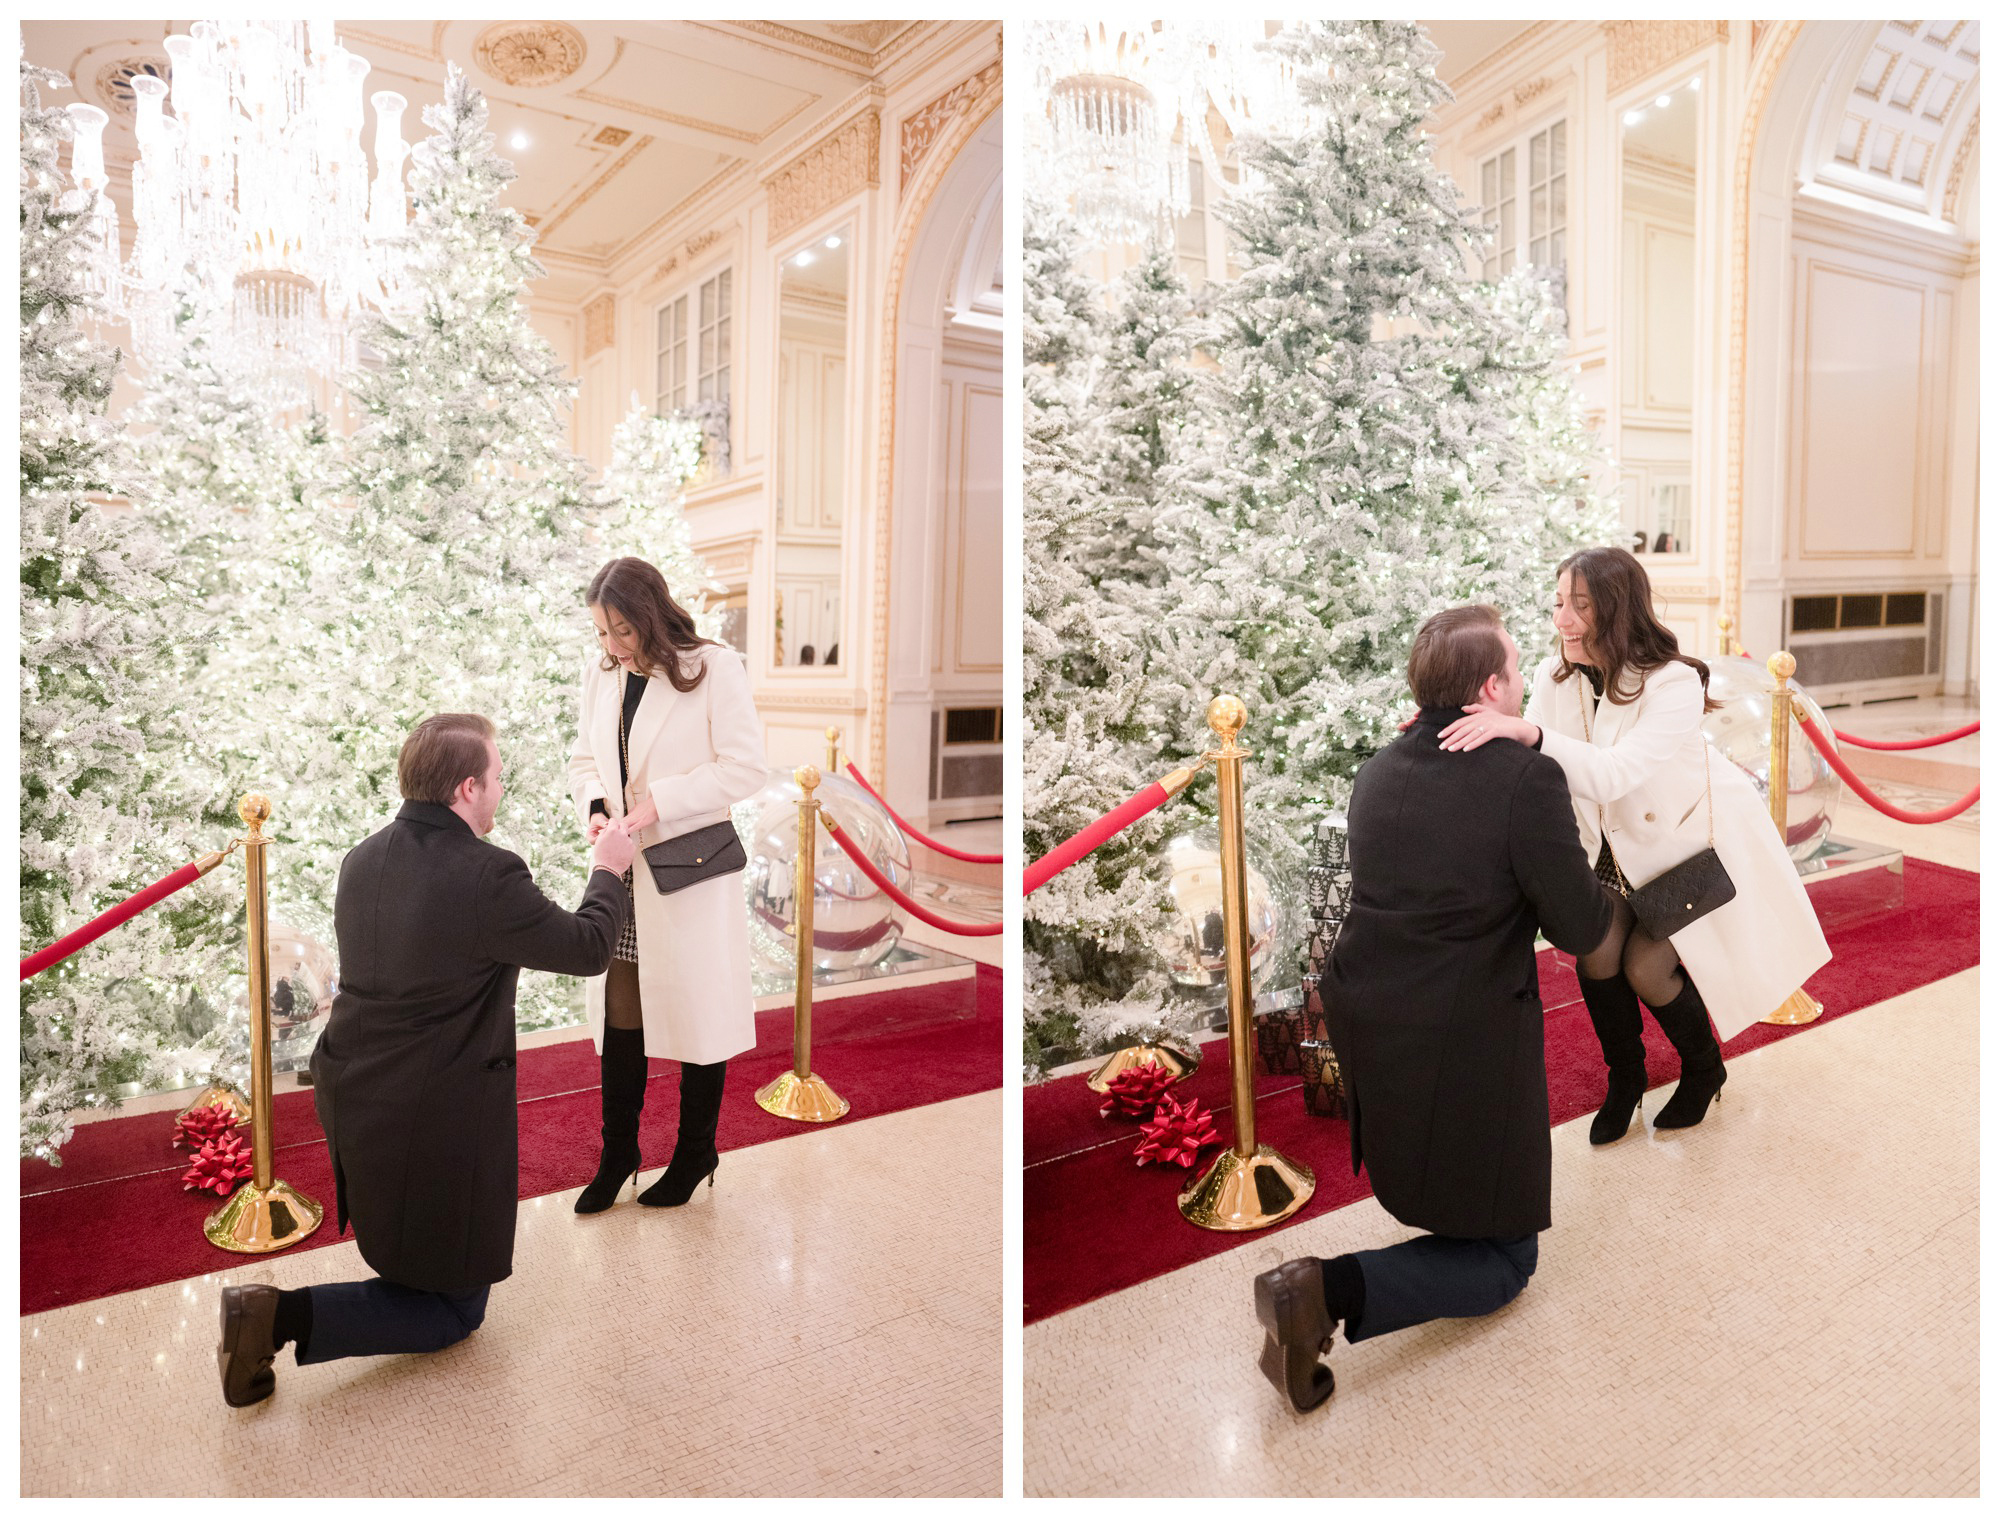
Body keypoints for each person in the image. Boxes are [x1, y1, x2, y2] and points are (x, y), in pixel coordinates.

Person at [216, 714, 635, 1408]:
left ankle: (295, 1310)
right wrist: (608, 869)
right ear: (468, 787)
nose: (502, 791)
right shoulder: (488, 873)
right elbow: (588, 948)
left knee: (420, 1250)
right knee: (455, 1311)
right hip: (434, 1110)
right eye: (498, 778)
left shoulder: (363, 857)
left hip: (357, 1090)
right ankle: (273, 1315)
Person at [1255, 605, 1614, 1414]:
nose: (1524, 687)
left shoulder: (1379, 768)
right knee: (1506, 1264)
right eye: (1516, 673)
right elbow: (1582, 927)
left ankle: (1376, 1263)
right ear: (1490, 688)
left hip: (1372, 1010)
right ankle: (1320, 1291)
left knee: (1449, 1174)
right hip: (1464, 1029)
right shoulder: (1527, 777)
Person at [1437, 547, 1831, 1142]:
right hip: (1607, 848)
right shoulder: (1552, 677)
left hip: (1687, 843)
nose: (1561, 620)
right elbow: (1526, 755)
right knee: (1597, 955)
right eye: (1558, 602)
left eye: (1580, 605)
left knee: (1646, 965)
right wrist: (1435, 728)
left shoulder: (1670, 682)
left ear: (1615, 610)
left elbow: (1616, 772)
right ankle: (1626, 1078)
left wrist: (1532, 732)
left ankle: (1704, 1069)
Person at [569, 557, 767, 1212]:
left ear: (651, 616)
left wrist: (661, 801)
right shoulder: (601, 674)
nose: (613, 647)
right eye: (602, 632)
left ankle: (694, 1151)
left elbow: (744, 769)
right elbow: (584, 760)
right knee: (620, 1013)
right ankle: (618, 1152)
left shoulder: (712, 668)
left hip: (687, 870)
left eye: (623, 631)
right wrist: (596, 805)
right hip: (620, 868)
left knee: (697, 1013)